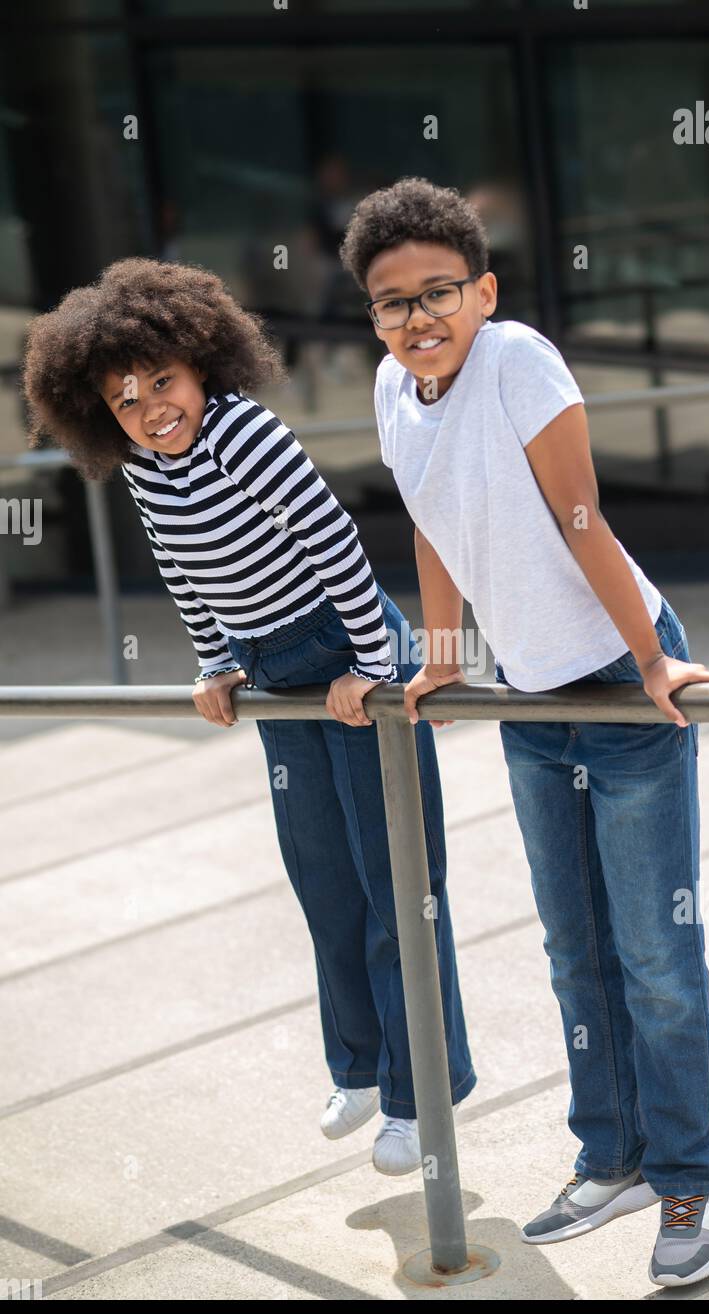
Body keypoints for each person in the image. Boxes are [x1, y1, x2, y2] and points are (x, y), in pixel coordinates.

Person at [339, 176, 709, 1287]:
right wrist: (445, 660)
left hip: (613, 670)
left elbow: (579, 516)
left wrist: (653, 662)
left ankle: (691, 1172)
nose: (418, 318)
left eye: (439, 293)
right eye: (391, 302)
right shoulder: (389, 386)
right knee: (573, 950)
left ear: (484, 289)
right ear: (371, 317)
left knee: (655, 953)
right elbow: (434, 528)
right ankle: (611, 1156)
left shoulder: (516, 360)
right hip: (529, 700)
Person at [21, 255, 476, 1176]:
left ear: (201, 365)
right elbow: (185, 574)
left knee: (396, 884)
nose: (152, 410)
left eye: (163, 382)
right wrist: (217, 666)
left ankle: (416, 1095)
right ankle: (356, 1067)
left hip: (341, 646)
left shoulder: (244, 436)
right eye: (124, 401)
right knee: (321, 878)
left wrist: (372, 666)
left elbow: (336, 545)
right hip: (271, 670)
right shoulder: (149, 472)